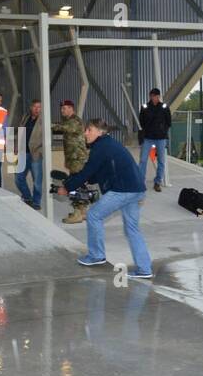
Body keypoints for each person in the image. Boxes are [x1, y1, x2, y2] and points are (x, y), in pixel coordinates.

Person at [55, 119, 152, 279]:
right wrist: (83, 181)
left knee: (93, 215)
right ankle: (144, 269)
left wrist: (67, 187)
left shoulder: (101, 147)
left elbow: (88, 171)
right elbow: (99, 171)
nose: (85, 133)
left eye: (89, 130)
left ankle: (96, 255)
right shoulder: (108, 145)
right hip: (136, 189)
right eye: (86, 130)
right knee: (132, 229)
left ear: (100, 132)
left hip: (123, 190)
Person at [52, 99, 89, 224]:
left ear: (71, 109)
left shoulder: (74, 121)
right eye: (61, 108)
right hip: (73, 159)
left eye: (64, 108)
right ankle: (83, 212)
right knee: (80, 185)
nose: (62, 110)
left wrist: (47, 123)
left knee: (75, 185)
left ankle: (77, 213)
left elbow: (62, 128)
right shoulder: (68, 120)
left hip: (77, 159)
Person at [138, 87, 171, 192]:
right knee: (143, 160)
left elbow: (169, 122)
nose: (154, 98)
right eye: (152, 96)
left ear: (159, 96)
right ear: (150, 96)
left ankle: (157, 182)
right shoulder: (145, 107)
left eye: (156, 96)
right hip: (148, 138)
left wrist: (163, 130)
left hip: (161, 138)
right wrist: (147, 130)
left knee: (161, 161)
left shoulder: (164, 107)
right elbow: (141, 121)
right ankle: (140, 182)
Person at [14, 99, 44, 209]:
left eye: (39, 107)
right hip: (23, 153)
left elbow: (47, 138)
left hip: (36, 154)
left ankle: (36, 203)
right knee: (18, 178)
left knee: (37, 181)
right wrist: (16, 146)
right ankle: (27, 197)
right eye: (35, 106)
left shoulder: (43, 120)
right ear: (31, 107)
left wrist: (41, 151)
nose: (37, 109)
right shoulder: (25, 118)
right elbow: (20, 132)